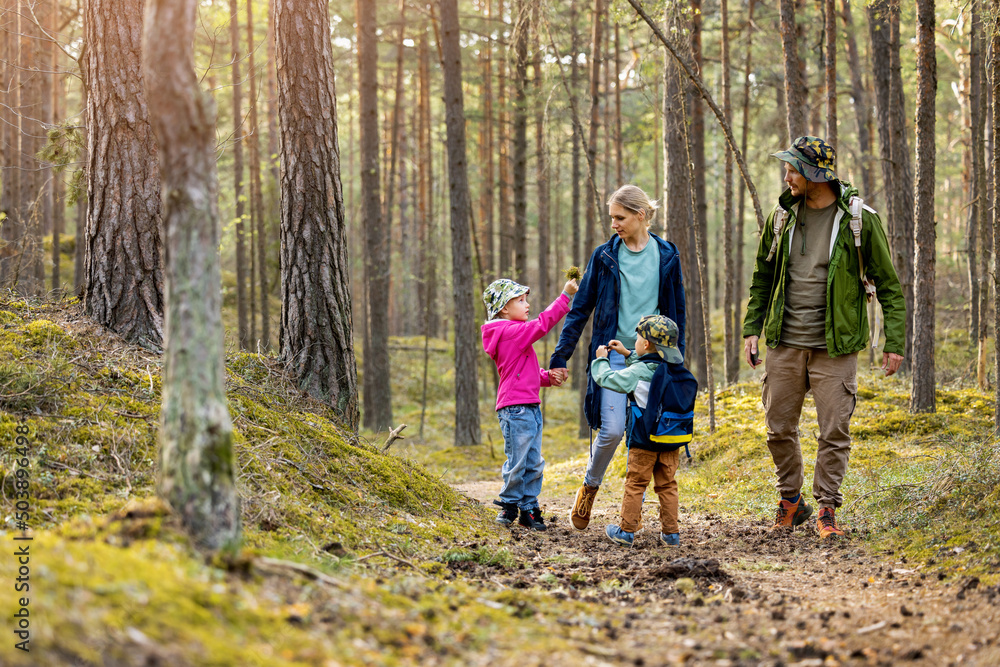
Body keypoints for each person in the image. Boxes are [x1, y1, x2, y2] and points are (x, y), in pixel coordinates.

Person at [742, 136, 906, 539]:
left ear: (816, 174)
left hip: (838, 346)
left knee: (834, 431)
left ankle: (827, 510)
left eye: (793, 169)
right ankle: (791, 502)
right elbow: (762, 278)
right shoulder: (780, 219)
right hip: (784, 341)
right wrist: (751, 328)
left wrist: (895, 341)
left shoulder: (859, 220)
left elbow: (888, 285)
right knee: (778, 428)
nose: (786, 177)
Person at [549, 184, 686, 531]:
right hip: (612, 355)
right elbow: (580, 310)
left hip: (652, 360)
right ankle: (589, 488)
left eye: (620, 217)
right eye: (612, 217)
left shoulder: (667, 255)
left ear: (641, 216)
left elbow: (677, 313)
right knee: (610, 432)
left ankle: (637, 519)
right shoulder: (605, 256)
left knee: (648, 435)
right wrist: (560, 356)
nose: (614, 224)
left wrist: (675, 359)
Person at [482, 276, 578, 531]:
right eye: (521, 301)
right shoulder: (508, 332)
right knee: (518, 460)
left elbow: (526, 374)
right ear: (504, 308)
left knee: (534, 462)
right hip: (515, 409)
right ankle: (510, 503)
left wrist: (548, 377)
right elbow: (542, 324)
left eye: (526, 300)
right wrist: (565, 296)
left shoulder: (513, 336)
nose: (527, 305)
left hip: (530, 406)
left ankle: (529, 508)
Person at [591, 316, 696, 548]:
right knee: (667, 485)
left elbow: (606, 378)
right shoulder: (675, 369)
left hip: (643, 443)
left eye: (638, 338)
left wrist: (601, 360)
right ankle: (671, 534)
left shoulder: (637, 373)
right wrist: (628, 354)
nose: (636, 342)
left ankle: (626, 531)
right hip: (670, 440)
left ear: (646, 344)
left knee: (636, 484)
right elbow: (649, 366)